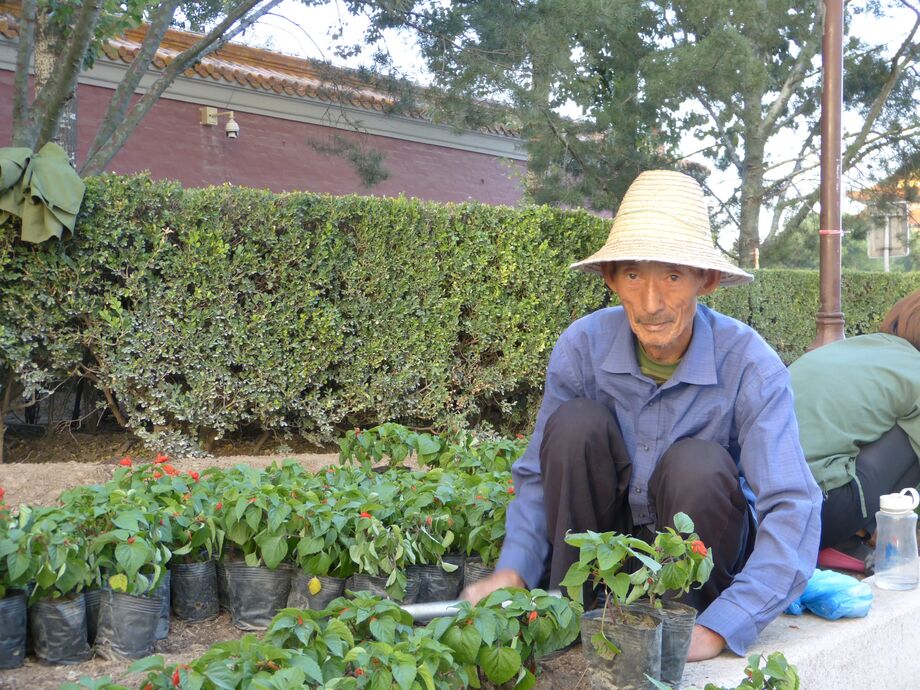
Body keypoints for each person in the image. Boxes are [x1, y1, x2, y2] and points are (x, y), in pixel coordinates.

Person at [461, 169, 822, 662]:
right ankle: (574, 614)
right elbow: (537, 475)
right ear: (612, 279)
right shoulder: (582, 348)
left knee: (697, 463)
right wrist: (513, 568)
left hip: (698, 568)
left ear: (706, 280)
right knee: (575, 426)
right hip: (597, 555)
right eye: (633, 275)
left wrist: (725, 625)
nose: (651, 304)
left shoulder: (750, 365)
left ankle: (681, 620)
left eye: (673, 277)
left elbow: (792, 506)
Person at [789, 289, 920, 572]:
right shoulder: (916, 370)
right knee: (910, 433)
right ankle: (850, 540)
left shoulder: (858, 348)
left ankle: (851, 537)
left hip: (764, 510)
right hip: (818, 515)